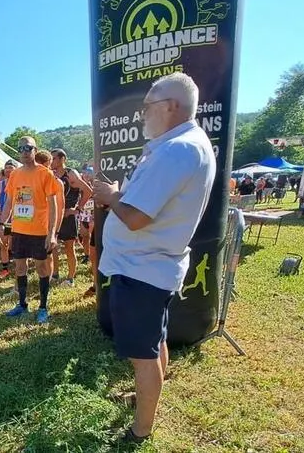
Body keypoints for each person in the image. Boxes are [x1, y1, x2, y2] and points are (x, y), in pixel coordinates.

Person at [91, 72, 215, 445]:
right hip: (149, 266)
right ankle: (145, 399)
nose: (142, 113)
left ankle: (140, 429)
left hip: (142, 269)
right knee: (155, 342)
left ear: (171, 106)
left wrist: (111, 196)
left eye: (147, 105)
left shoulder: (178, 150)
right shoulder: (180, 145)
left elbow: (136, 217)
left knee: (143, 356)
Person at [0, 136, 60, 324]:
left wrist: (51, 233)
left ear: (35, 150)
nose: (24, 152)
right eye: (21, 149)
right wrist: (2, 225)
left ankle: (43, 307)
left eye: (28, 148)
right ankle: (22, 304)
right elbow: (9, 202)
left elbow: (53, 205)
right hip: (19, 230)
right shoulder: (15, 175)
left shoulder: (45, 173)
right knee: (19, 266)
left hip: (39, 231)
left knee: (42, 268)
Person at [50, 148, 93, 288]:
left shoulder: (70, 174)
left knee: (69, 247)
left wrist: (77, 209)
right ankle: (55, 274)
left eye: (54, 158)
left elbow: (87, 191)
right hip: (55, 214)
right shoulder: (51, 174)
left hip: (68, 216)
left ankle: (70, 278)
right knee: (53, 246)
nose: (52, 161)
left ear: (62, 159)